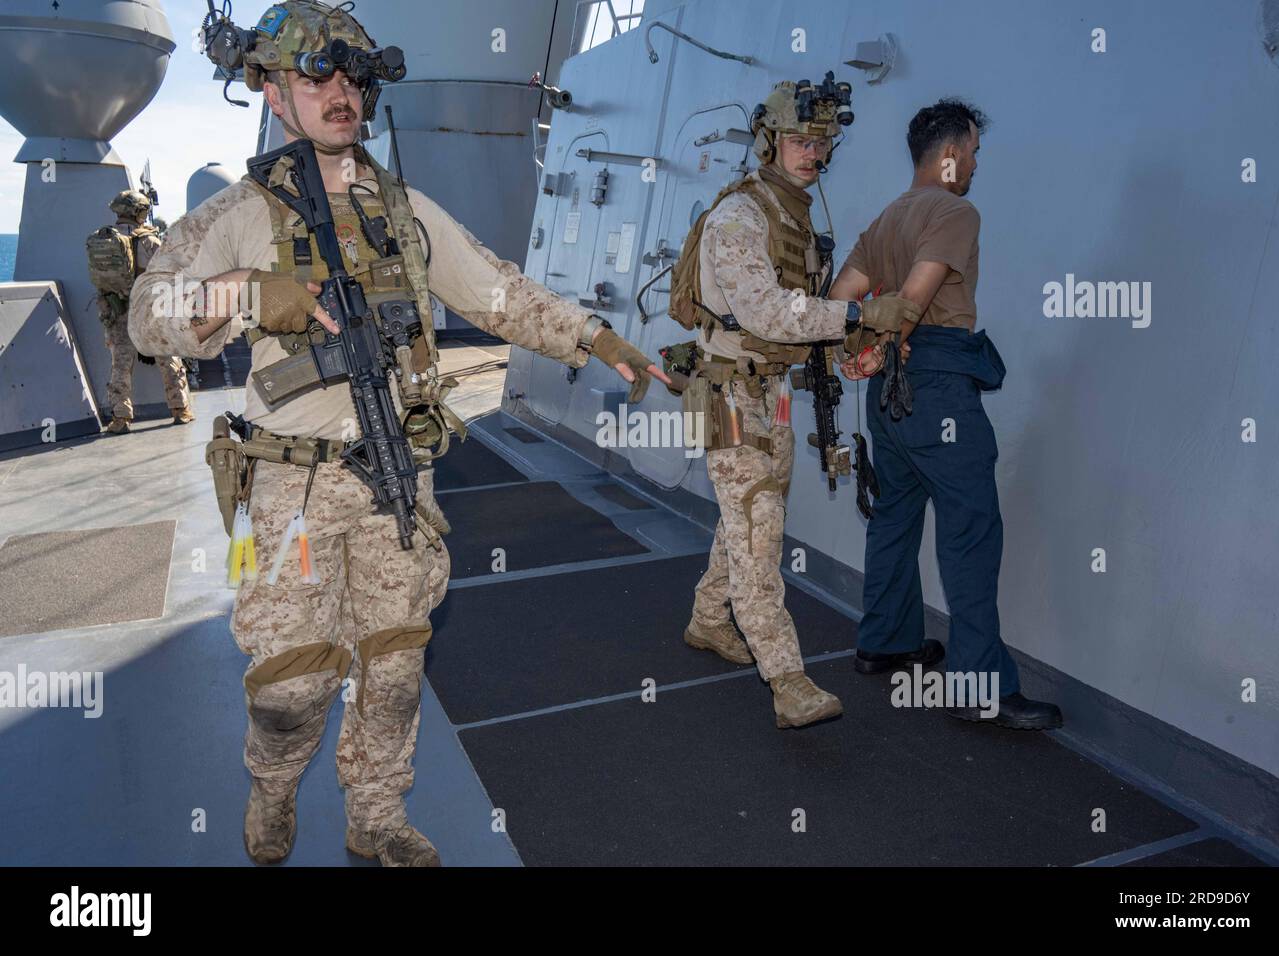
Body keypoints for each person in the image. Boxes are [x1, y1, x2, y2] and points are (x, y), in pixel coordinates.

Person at [129, 0, 669, 866]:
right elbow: (147, 317)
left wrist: (596, 340)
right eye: (316, 76)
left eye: (353, 77)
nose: (339, 92)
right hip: (290, 492)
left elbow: (496, 292)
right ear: (274, 92)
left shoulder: (404, 211)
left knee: (393, 665)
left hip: (396, 480)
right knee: (292, 683)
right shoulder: (239, 213)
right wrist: (238, 289)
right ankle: (271, 787)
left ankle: (375, 815)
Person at [677, 79, 918, 728]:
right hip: (729, 395)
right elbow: (766, 311)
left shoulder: (794, 216)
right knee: (760, 537)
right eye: (800, 142)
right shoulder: (740, 217)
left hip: (770, 393)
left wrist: (851, 342)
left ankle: (707, 618)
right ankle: (787, 682)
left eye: (823, 142)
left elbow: (800, 317)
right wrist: (858, 312)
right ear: (769, 142)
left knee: (749, 516)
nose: (814, 153)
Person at [829, 98, 1062, 730]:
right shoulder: (956, 210)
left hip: (889, 400)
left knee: (896, 518)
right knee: (969, 532)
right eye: (975, 152)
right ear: (952, 155)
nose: (977, 163)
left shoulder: (884, 220)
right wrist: (888, 340)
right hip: (935, 389)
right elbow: (913, 299)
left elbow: (839, 299)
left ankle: (886, 641)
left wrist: (864, 351)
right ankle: (977, 687)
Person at [86, 190, 192, 432]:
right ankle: (180, 409)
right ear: (140, 212)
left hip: (117, 310)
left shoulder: (104, 239)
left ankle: (120, 418)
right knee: (168, 359)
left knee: (120, 365)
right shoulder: (150, 241)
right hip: (149, 311)